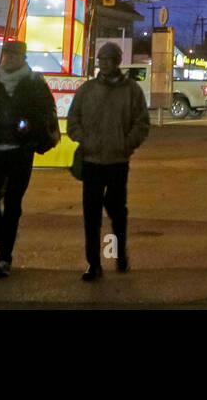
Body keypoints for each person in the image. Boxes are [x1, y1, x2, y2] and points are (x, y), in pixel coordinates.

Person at [0, 41, 59, 278]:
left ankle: (3, 257)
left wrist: (32, 130)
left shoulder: (34, 83)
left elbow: (47, 112)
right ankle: (2, 234)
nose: (9, 58)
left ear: (23, 57)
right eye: (7, 54)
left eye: (14, 55)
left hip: (21, 150)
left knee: (13, 203)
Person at [67, 42, 150, 281]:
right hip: (92, 161)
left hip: (117, 161)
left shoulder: (131, 90)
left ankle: (120, 254)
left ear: (117, 62)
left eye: (108, 59)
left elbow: (141, 123)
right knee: (91, 215)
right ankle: (93, 263)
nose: (104, 64)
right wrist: (84, 140)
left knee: (117, 211)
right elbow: (73, 120)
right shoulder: (87, 90)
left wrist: (126, 144)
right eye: (101, 60)